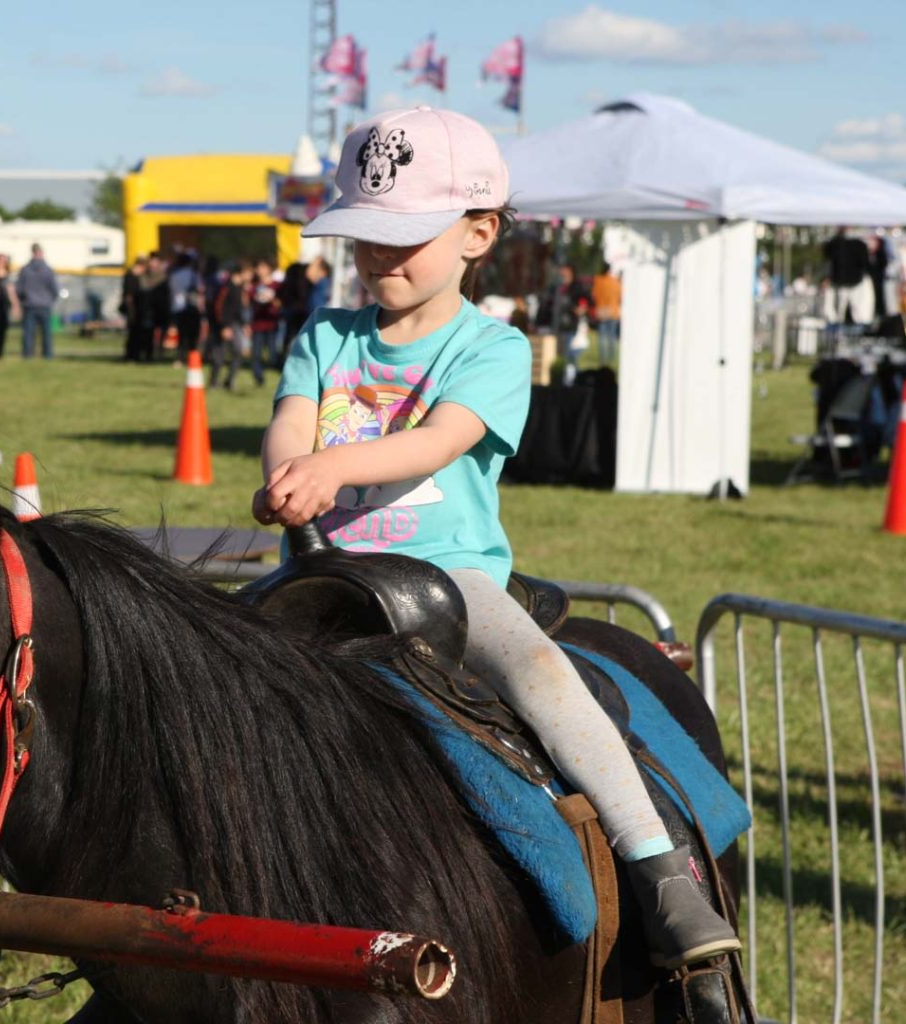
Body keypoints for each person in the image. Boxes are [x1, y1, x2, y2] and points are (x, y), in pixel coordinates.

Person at [252, 106, 740, 972]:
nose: (378, 254)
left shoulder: (493, 349)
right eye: (364, 233)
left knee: (543, 675)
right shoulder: (324, 336)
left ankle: (660, 873)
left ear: (478, 233)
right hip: (327, 580)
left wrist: (335, 466)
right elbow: (291, 424)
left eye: (404, 233)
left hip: (447, 584)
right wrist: (291, 472)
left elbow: (439, 439)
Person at [17, 242, 57, 359]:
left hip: (29, 305)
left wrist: (23, 299)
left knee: (29, 333)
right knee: (46, 333)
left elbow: (19, 289)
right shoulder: (48, 270)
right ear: (41, 253)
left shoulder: (25, 270)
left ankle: (28, 355)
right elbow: (54, 289)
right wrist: (49, 299)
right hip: (45, 305)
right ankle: (47, 355)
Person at [592, 263, 621, 365]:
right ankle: (611, 358)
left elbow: (594, 295)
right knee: (612, 336)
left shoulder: (598, 281)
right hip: (613, 310)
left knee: (602, 337)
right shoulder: (615, 282)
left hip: (602, 311)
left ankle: (603, 359)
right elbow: (620, 295)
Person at [121, 256, 148, 361]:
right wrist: (131, 309)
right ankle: (132, 355)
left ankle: (133, 354)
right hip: (133, 310)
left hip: (136, 309)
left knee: (135, 333)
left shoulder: (132, 275)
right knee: (133, 333)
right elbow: (128, 295)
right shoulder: (131, 276)